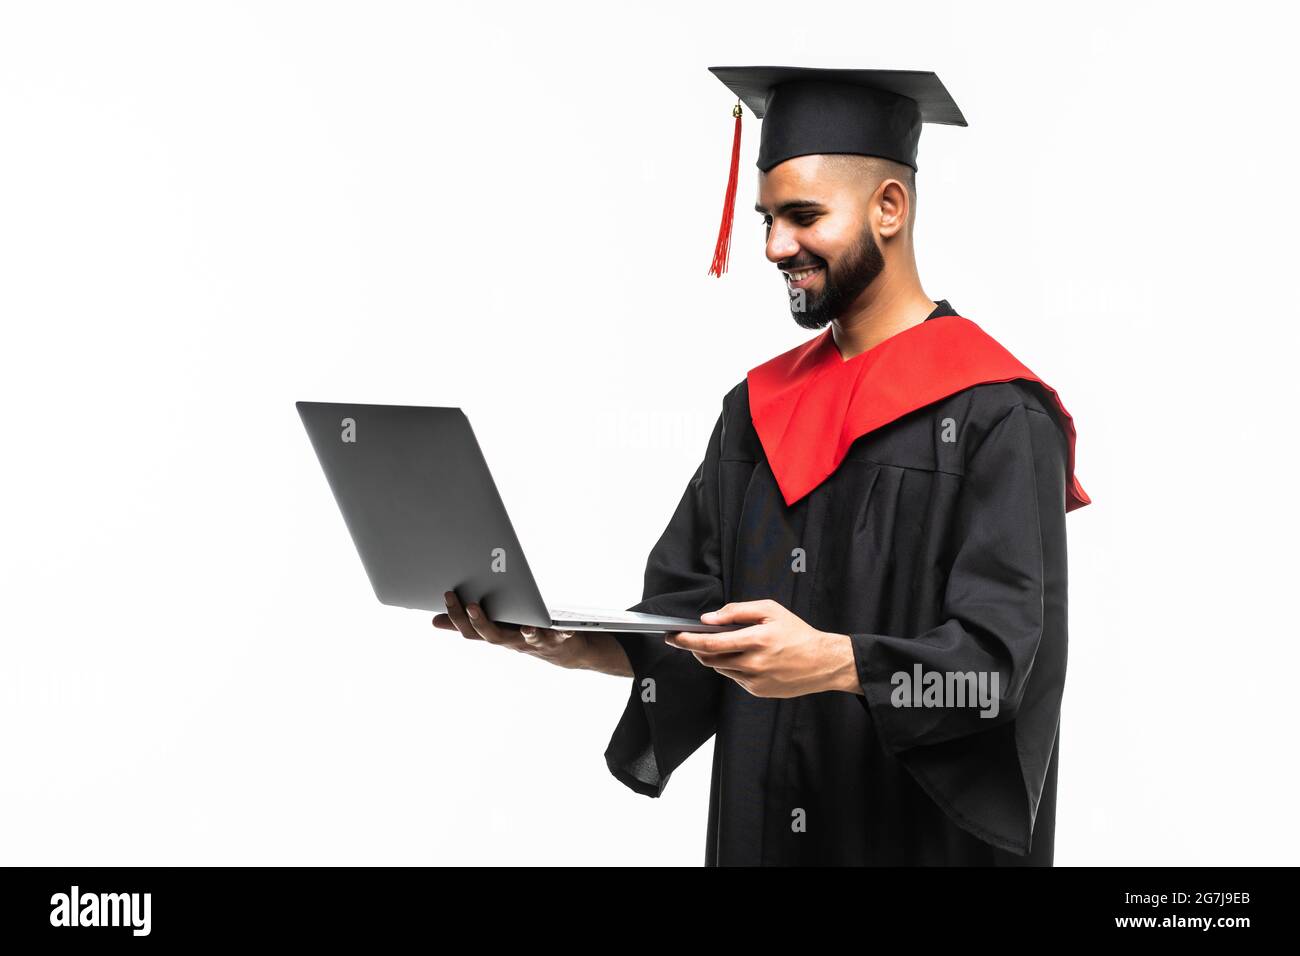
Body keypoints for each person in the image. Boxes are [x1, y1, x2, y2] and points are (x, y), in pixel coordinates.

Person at [433, 66, 1091, 866]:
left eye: (804, 215)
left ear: (891, 207)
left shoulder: (997, 416)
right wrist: (567, 643)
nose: (777, 246)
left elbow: (992, 678)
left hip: (913, 843)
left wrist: (837, 662)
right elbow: (688, 624)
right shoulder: (756, 410)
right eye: (769, 218)